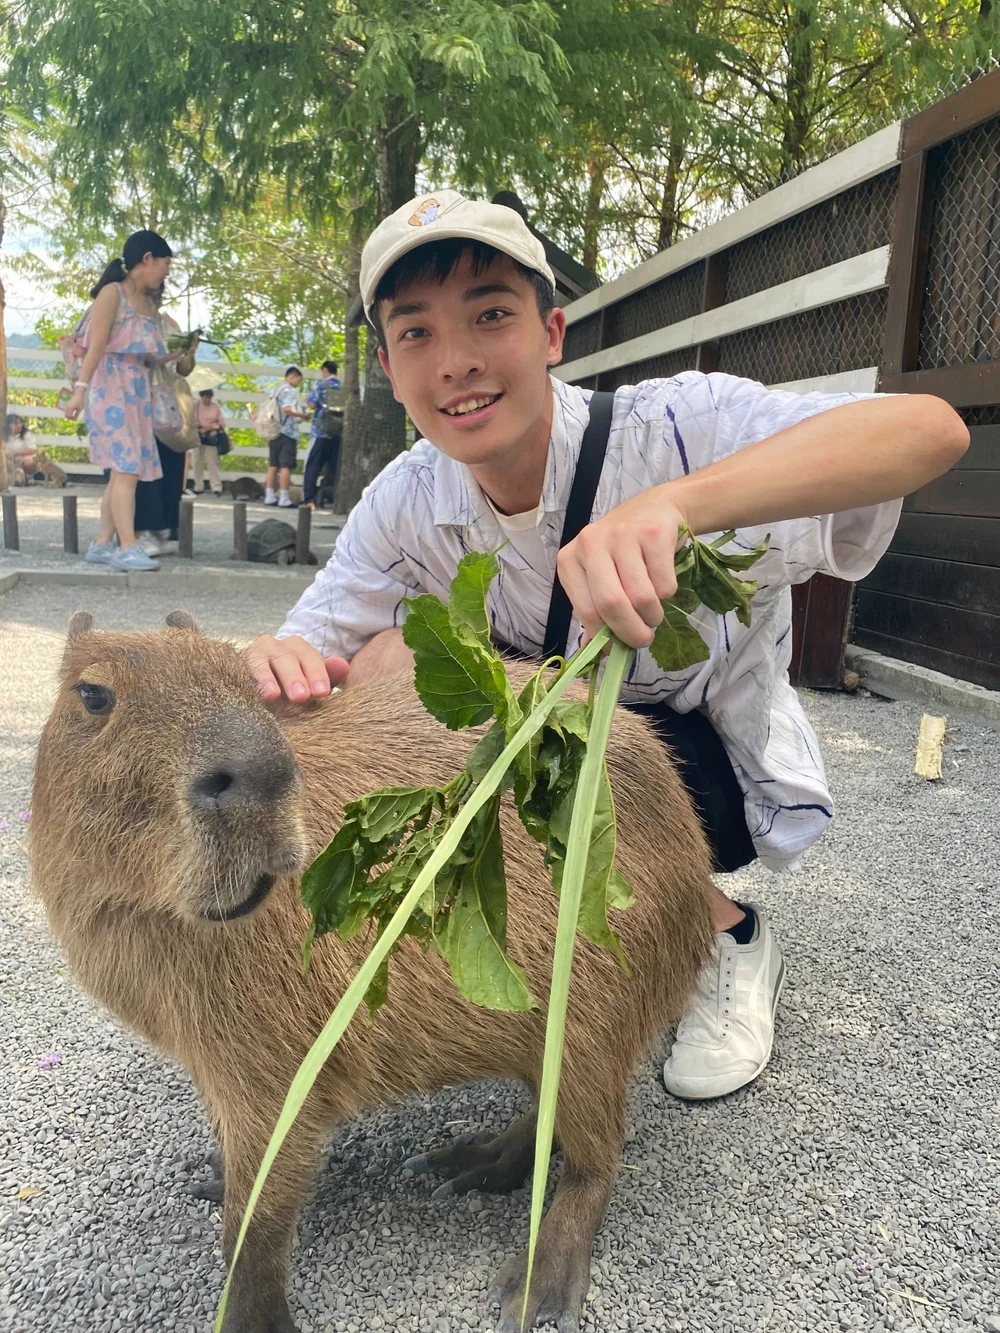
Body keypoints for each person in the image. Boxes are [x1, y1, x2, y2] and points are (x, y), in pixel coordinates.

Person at [246, 191, 968, 1102]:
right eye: (417, 333)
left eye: (491, 315)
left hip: (696, 769)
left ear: (551, 333)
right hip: (546, 754)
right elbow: (309, 645)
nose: (458, 360)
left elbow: (927, 430)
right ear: (389, 366)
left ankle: (720, 934)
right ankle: (530, 938)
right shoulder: (405, 498)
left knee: (528, 707)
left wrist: (675, 505)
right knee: (379, 668)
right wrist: (278, 667)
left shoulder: (670, 427)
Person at [63, 228, 185, 571]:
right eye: (164, 264)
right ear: (146, 259)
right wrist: (80, 391)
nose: (166, 272)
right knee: (127, 468)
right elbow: (97, 346)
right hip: (109, 387)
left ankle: (102, 543)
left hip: (137, 389)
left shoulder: (147, 303)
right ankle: (127, 545)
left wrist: (177, 352)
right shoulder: (111, 295)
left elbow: (144, 355)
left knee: (124, 471)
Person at [134, 285, 199, 557]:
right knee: (146, 465)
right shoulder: (135, 324)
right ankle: (144, 527)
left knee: (172, 459)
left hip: (168, 402)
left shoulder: (169, 324)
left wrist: (189, 351)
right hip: (141, 398)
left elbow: (183, 369)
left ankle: (168, 525)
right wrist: (169, 354)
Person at [264, 366, 308, 507]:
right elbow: (287, 409)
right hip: (287, 432)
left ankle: (269, 495)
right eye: (298, 380)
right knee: (286, 466)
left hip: (274, 430)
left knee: (273, 465)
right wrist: (302, 415)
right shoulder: (289, 390)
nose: (297, 383)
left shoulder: (276, 390)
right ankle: (284, 497)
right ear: (292, 377)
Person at [302, 359, 343, 509]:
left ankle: (309, 500)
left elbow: (312, 404)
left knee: (312, 466)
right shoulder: (342, 386)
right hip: (338, 432)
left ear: (325, 370)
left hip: (320, 432)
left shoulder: (321, 385)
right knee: (332, 468)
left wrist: (307, 401)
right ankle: (329, 497)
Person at [192, 388, 225, 496]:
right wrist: (201, 426)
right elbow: (191, 419)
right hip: (198, 435)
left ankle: (216, 486)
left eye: (209, 397)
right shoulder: (195, 405)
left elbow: (221, 423)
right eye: (205, 397)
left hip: (211, 437)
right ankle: (198, 485)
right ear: (201, 397)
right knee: (196, 461)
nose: (207, 399)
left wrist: (212, 427)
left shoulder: (215, 407)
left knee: (213, 462)